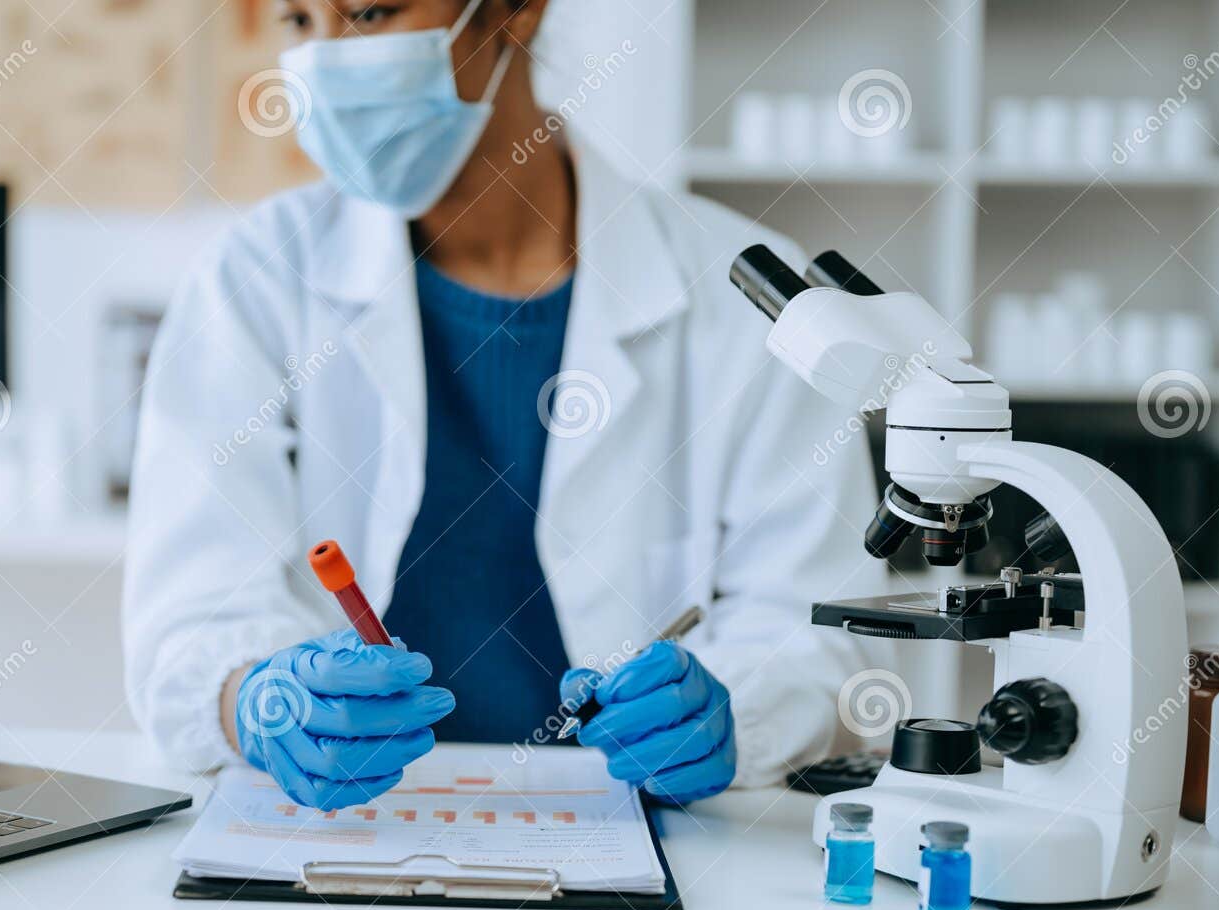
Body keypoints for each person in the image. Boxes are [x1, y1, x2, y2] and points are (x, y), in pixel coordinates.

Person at [123, 0, 880, 811]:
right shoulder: (257, 279)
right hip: (348, 829)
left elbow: (824, 631)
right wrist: (253, 700)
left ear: (515, 11)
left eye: (369, 12)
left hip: (635, 831)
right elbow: (188, 623)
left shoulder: (739, 289)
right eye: (299, 21)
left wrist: (736, 715)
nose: (327, 59)